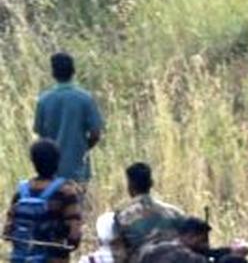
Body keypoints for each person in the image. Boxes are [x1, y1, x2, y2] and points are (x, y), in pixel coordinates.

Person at [3, 140, 83, 263]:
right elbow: (74, 236)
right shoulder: (66, 191)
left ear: (34, 162)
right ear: (57, 161)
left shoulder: (21, 192)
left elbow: (7, 232)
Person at [34, 53, 103, 190]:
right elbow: (96, 133)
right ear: (73, 71)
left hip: (50, 174)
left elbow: (40, 134)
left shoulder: (44, 100)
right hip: (78, 171)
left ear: (53, 73)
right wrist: (84, 146)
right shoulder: (85, 99)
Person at [111, 163, 185, 263]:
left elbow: (119, 257)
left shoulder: (122, 217)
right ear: (151, 183)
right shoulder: (175, 213)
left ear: (130, 185)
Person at [134, 218, 210, 263]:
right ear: (190, 236)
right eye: (202, 241)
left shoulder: (153, 249)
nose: (206, 245)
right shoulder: (191, 258)